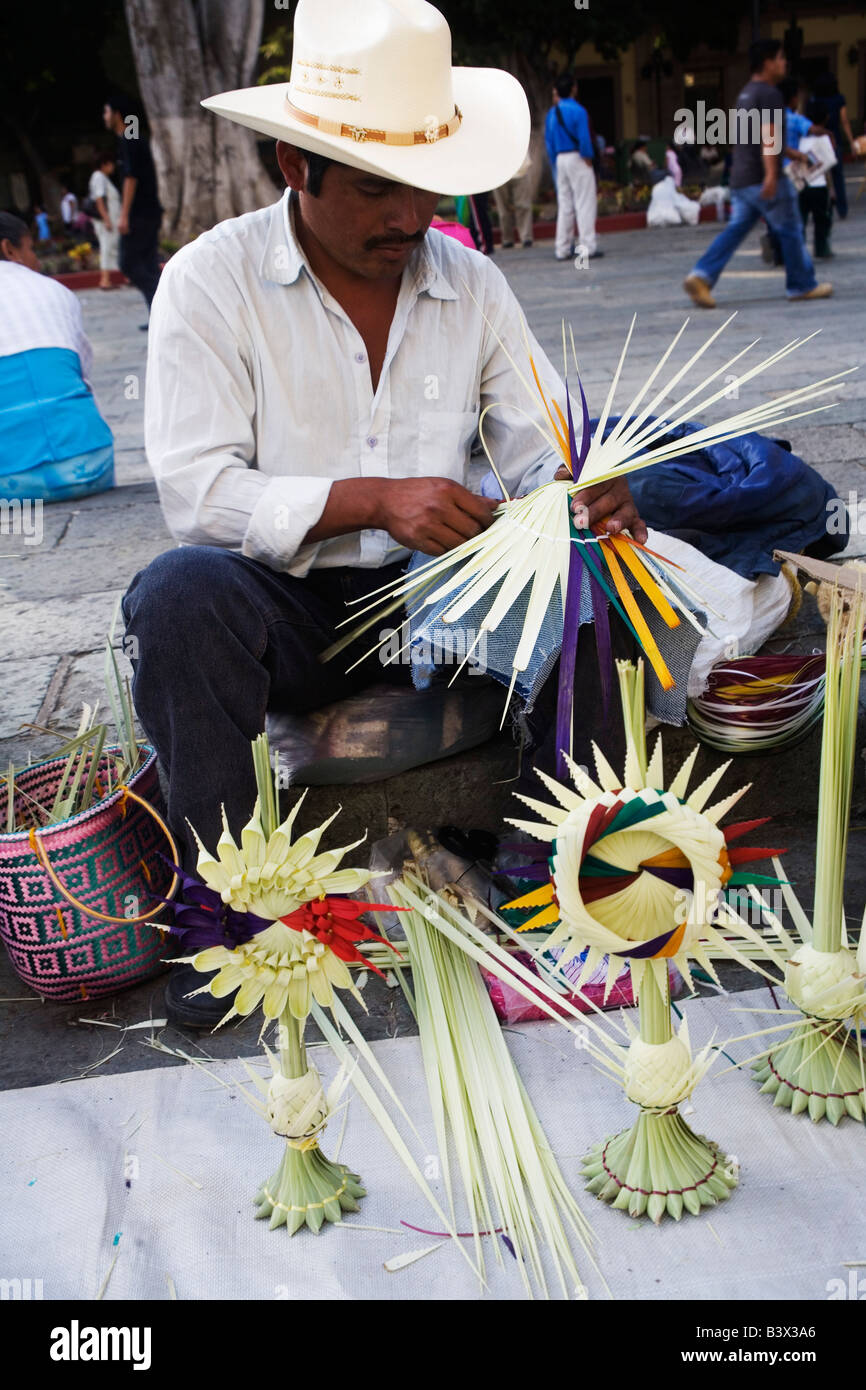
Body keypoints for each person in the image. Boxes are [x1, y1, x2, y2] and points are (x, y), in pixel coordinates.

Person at [120, 0, 642, 1026]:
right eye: (373, 188)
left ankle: (552, 886)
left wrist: (586, 479)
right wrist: (365, 502)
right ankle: (226, 922)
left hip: (438, 607)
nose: (407, 218)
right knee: (177, 597)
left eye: (426, 189)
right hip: (290, 611)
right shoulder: (208, 283)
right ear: (292, 166)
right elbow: (196, 489)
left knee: (593, 572)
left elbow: (539, 438)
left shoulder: (472, 283)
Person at [683, 38, 831, 307]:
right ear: (768, 62)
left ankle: (701, 275)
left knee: (737, 229)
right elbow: (768, 138)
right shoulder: (770, 94)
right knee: (791, 228)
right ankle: (801, 285)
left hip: (741, 177)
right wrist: (772, 175)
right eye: (781, 57)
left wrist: (793, 154)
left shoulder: (746, 94)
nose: (784, 62)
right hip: (762, 176)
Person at [0, 213, 114, 501]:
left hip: (8, 483)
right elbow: (81, 372)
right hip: (91, 467)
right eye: (31, 249)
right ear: (8, 249)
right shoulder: (56, 290)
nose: (35, 260)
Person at [103, 92, 163, 315]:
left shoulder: (130, 138)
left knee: (128, 263)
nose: (104, 116)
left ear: (117, 114)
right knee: (148, 265)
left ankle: (161, 305)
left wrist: (124, 215)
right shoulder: (132, 137)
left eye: (106, 111)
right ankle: (159, 314)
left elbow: (131, 176)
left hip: (140, 215)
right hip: (149, 212)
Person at [545, 74, 601, 260]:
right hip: (577, 157)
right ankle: (587, 246)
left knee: (565, 204)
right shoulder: (579, 110)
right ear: (573, 89)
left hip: (560, 159)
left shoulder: (552, 113)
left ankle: (562, 248)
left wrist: (555, 160)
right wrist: (587, 157)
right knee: (584, 203)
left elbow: (549, 142)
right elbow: (584, 137)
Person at [806, 72, 855, 221]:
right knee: (838, 176)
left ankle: (820, 209)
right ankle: (842, 209)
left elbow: (808, 121)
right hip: (835, 141)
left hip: (817, 141)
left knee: (818, 176)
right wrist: (851, 142)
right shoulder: (839, 99)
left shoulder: (813, 100)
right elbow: (845, 121)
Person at [88, 153, 122, 289]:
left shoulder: (103, 178)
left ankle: (116, 277)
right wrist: (106, 219)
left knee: (112, 247)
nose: (112, 167)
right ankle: (105, 280)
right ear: (104, 165)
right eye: (110, 164)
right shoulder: (99, 177)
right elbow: (99, 199)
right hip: (106, 221)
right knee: (107, 247)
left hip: (110, 220)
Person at [492, 150, 534, 248]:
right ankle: (507, 238)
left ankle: (526, 237)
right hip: (499, 172)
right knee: (503, 209)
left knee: (523, 206)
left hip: (520, 169)